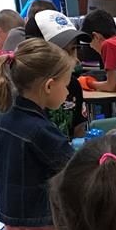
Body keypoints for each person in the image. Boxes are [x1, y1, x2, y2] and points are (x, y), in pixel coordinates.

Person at [0, 38, 75, 230]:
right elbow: (77, 171)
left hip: (15, 225)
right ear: (49, 86)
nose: (68, 92)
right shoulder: (40, 131)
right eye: (67, 84)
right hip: (42, 226)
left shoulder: (4, 119)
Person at [32, 9, 94, 138]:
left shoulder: (73, 85)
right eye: (64, 51)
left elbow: (79, 133)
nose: (75, 59)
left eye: (74, 49)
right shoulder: (26, 96)